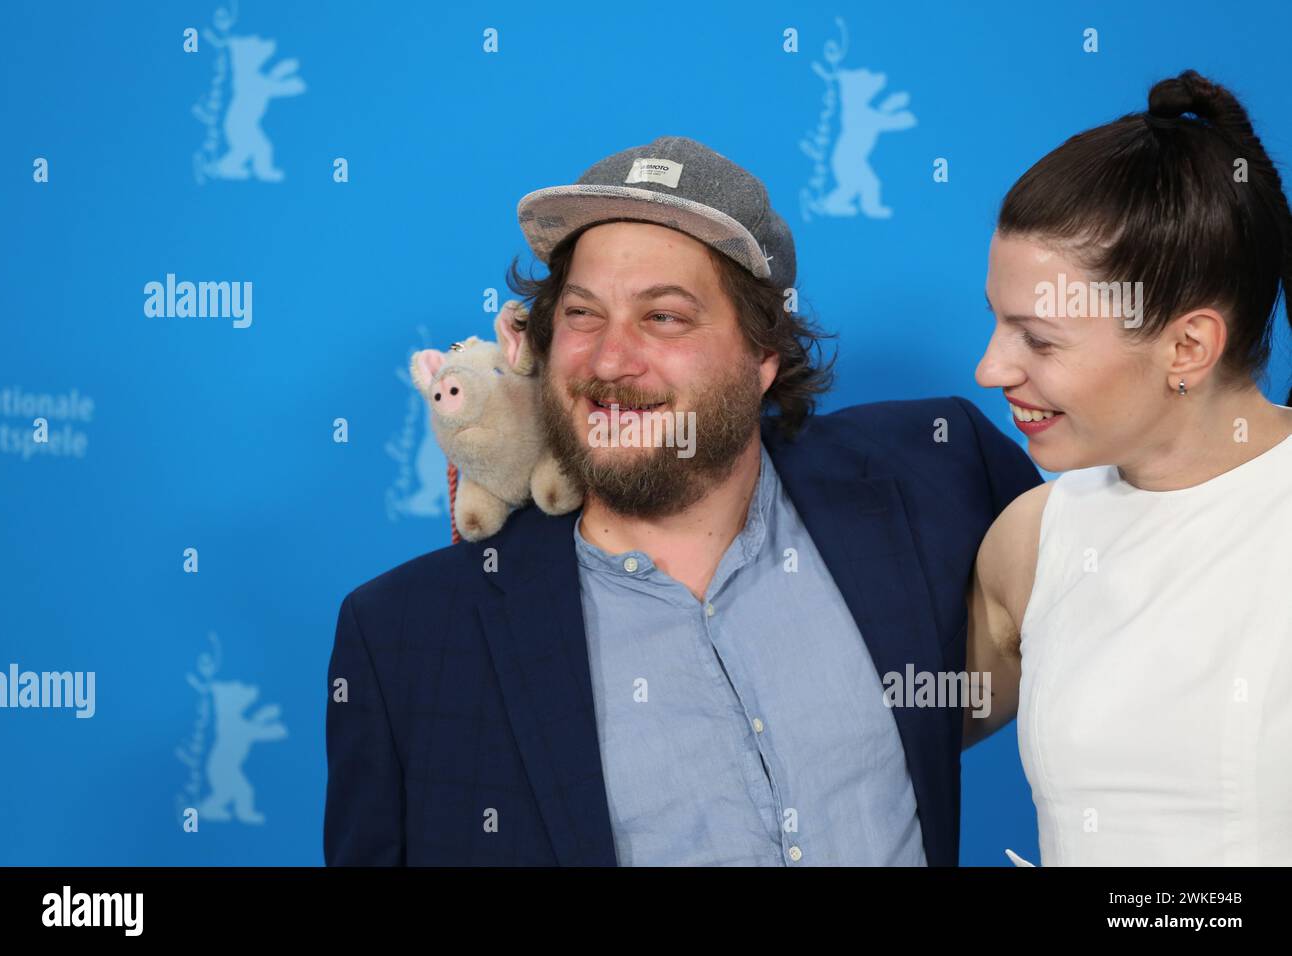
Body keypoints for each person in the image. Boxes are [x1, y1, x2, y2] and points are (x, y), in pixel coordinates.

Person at [325, 135, 1040, 866]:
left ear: (763, 356)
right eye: (581, 314)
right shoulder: (406, 644)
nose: (608, 359)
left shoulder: (935, 467)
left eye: (663, 316)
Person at [966, 71, 1292, 865]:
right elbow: (868, 746)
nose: (989, 369)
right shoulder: (1032, 538)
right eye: (997, 324)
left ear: (1187, 347)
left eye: (1038, 339)